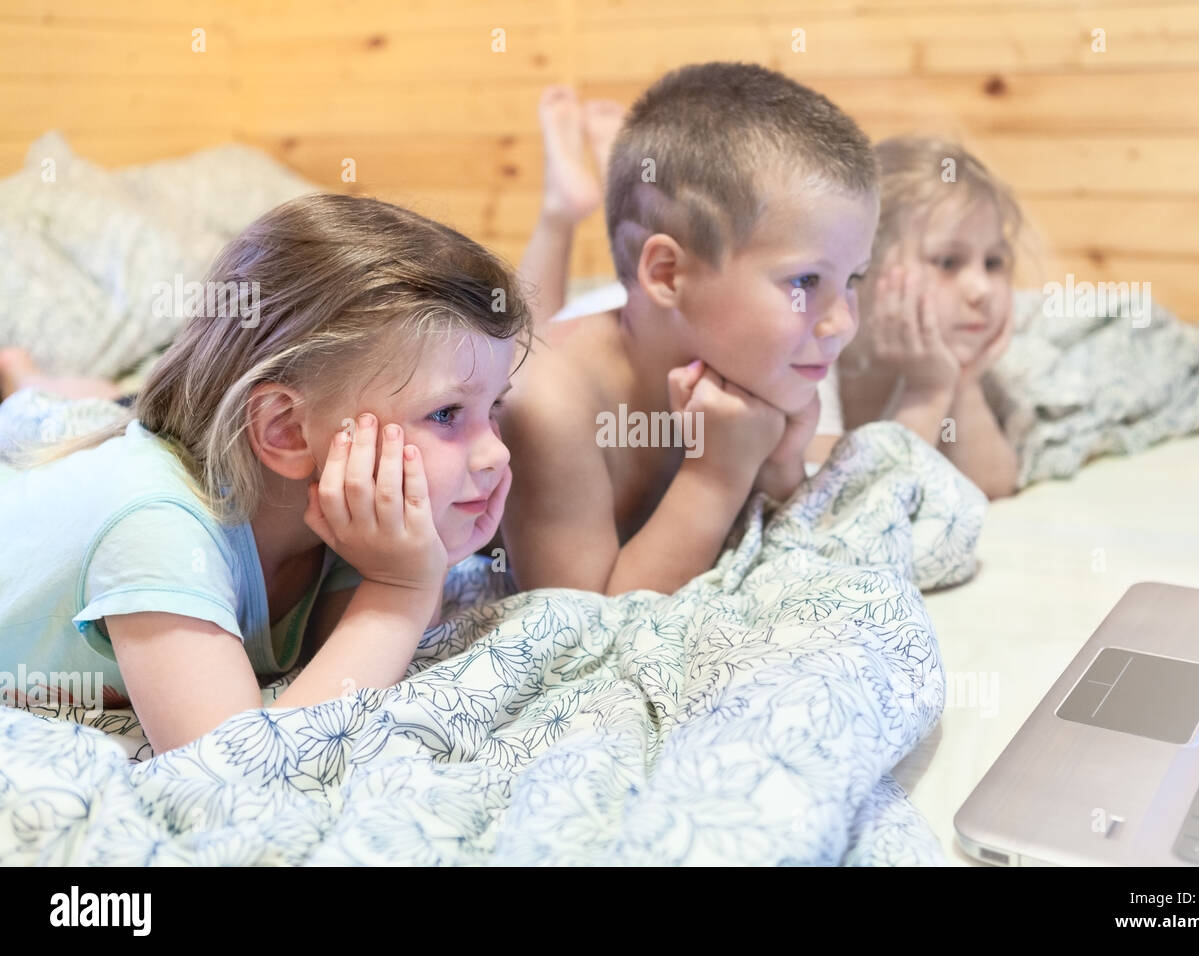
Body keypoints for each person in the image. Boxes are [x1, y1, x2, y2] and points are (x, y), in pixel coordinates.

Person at [0, 193, 529, 754]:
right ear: (288, 431)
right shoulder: (155, 528)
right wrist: (402, 590)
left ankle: (43, 387)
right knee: (47, 421)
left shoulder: (347, 509)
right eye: (446, 413)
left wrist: (421, 557)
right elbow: (230, 765)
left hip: (125, 438)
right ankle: (26, 384)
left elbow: (347, 661)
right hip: (58, 490)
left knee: (88, 414)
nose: (496, 453)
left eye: (494, 407)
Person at [498, 62, 880, 596]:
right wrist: (715, 477)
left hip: (658, 317)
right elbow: (582, 629)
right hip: (574, 340)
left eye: (854, 278)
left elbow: (785, 550)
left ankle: (623, 176)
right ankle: (564, 206)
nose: (843, 322)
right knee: (515, 332)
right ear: (668, 274)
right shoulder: (549, 408)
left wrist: (782, 462)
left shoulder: (753, 368)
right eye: (807, 279)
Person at [837, 136, 1022, 499]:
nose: (981, 289)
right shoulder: (819, 362)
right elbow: (866, 506)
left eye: (993, 262)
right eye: (948, 262)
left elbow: (995, 488)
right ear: (862, 267)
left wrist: (963, 383)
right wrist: (928, 390)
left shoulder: (974, 370)